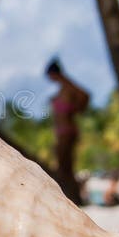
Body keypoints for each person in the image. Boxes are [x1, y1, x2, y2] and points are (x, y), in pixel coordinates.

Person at [46, 58, 90, 205]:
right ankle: (73, 198)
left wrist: (76, 109)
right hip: (62, 132)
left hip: (68, 131)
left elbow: (86, 95)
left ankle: (75, 199)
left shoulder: (68, 85)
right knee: (64, 167)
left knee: (66, 167)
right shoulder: (63, 88)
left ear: (54, 74)